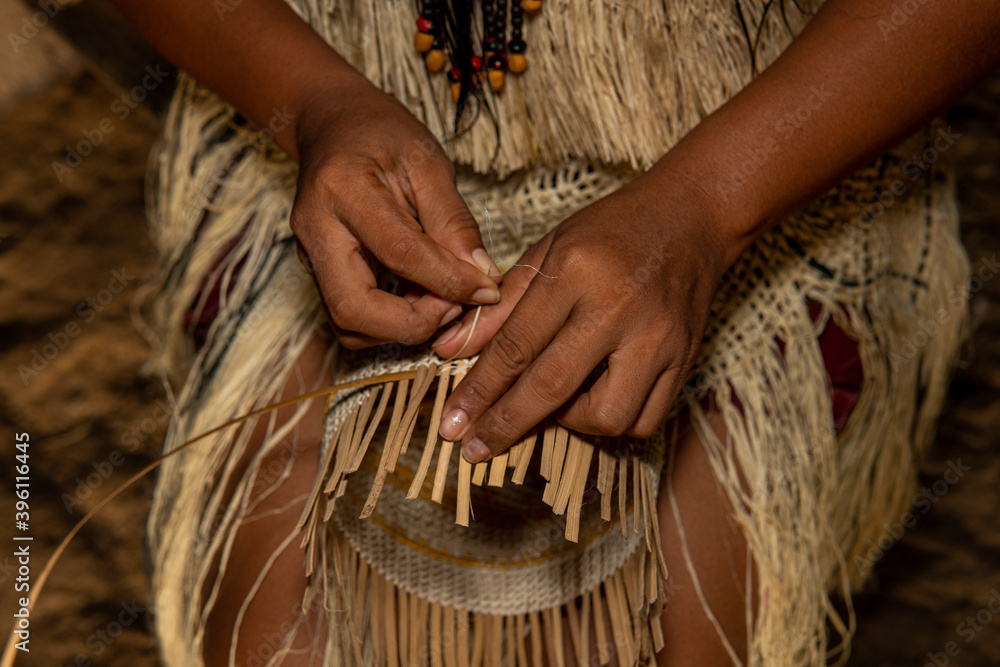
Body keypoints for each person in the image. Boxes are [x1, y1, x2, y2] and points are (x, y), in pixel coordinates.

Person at [110, 0, 999, 664]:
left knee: (653, 631)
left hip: (754, 166)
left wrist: (706, 209)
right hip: (308, 103)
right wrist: (312, 104)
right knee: (289, 636)